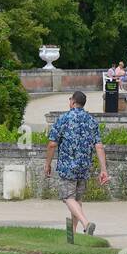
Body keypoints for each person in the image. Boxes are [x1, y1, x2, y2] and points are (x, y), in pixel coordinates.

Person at [44, 90, 109, 235]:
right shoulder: (91, 120)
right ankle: (72, 233)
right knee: (77, 200)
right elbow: (98, 146)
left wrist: (47, 164)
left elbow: (52, 144)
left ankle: (86, 224)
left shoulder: (64, 118)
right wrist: (103, 169)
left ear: (73, 102)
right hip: (84, 166)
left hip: (68, 166)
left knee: (68, 198)